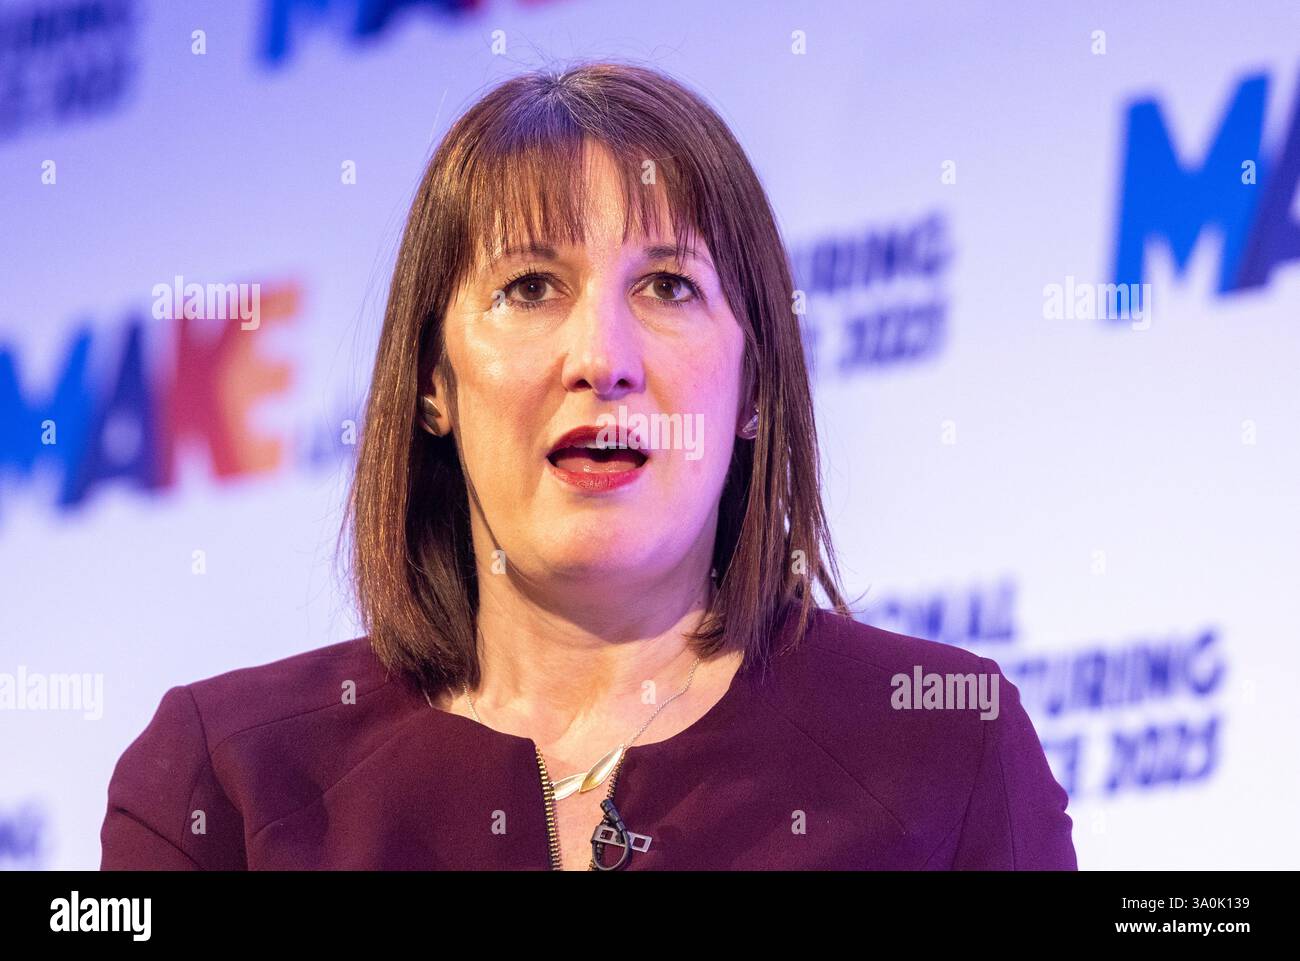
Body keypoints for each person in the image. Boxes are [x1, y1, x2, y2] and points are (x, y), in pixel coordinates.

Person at [100, 61, 1076, 871]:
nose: (600, 356)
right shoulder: (225, 778)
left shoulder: (944, 745)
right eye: (529, 286)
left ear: (754, 387)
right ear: (433, 380)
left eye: (666, 285)